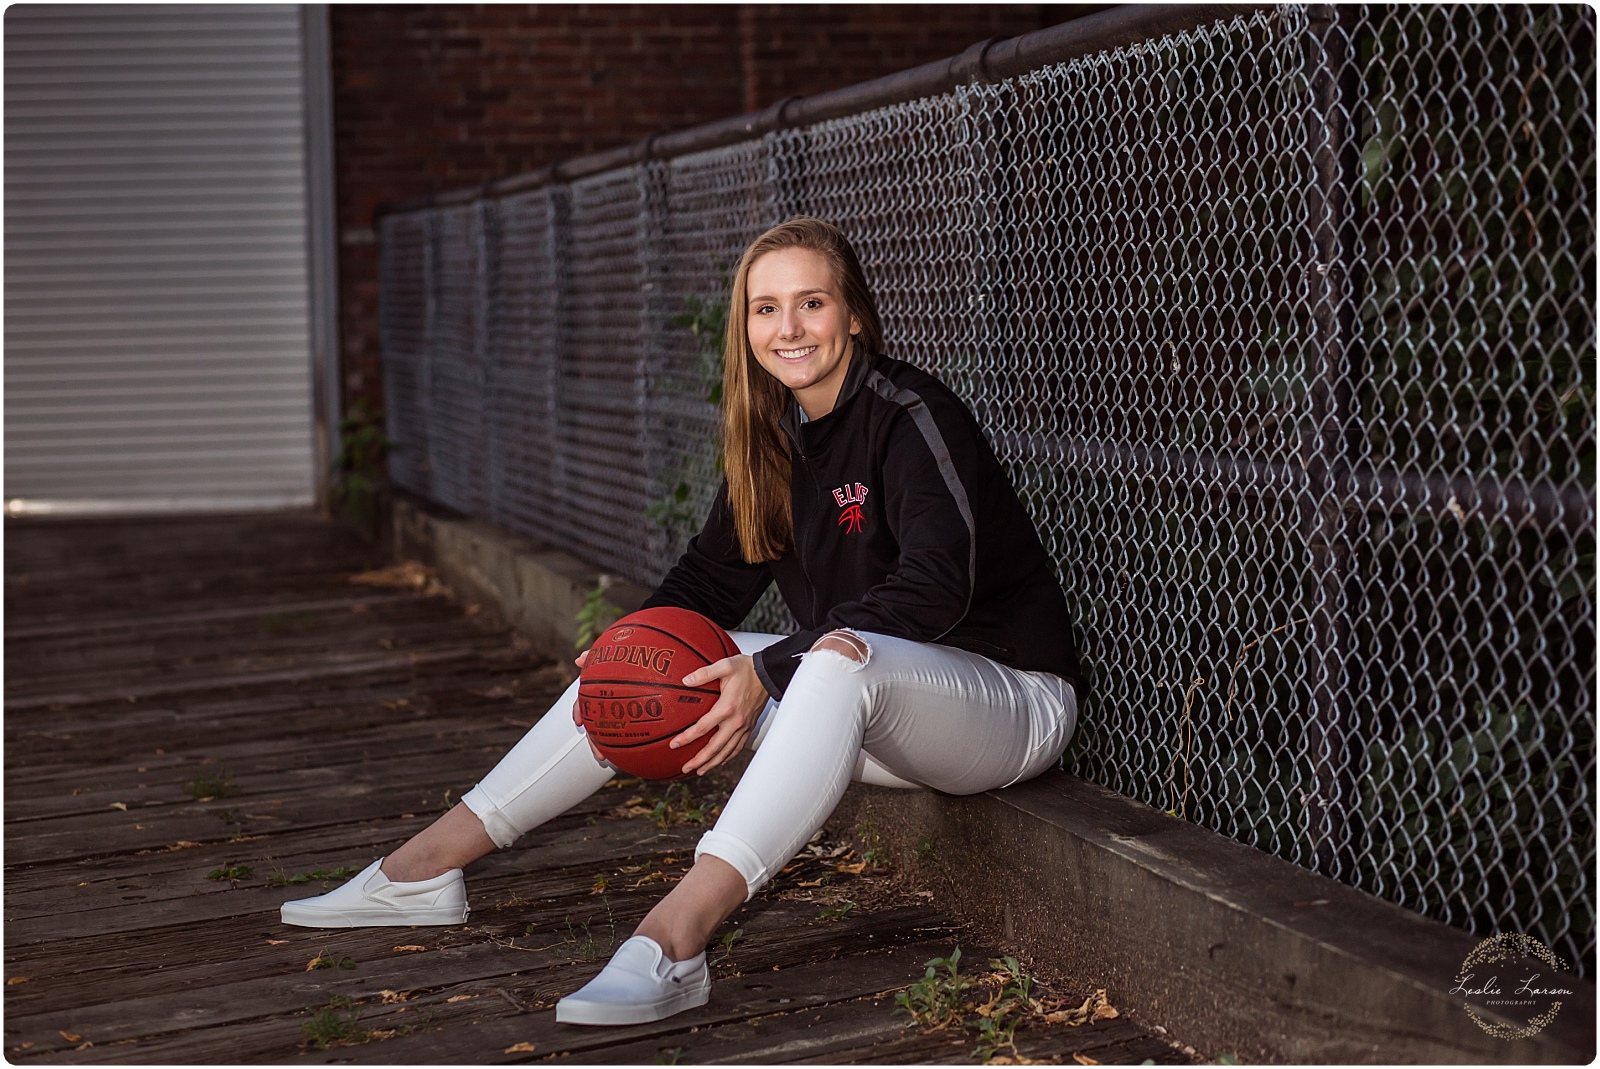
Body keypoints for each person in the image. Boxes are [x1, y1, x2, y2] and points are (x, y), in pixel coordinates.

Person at [279, 216, 1086, 1027]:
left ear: (854, 316)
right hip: (871, 709)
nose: (789, 327)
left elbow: (936, 587)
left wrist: (769, 669)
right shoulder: (771, 439)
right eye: (765, 309)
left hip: (1004, 697)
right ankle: (425, 869)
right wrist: (627, 640)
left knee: (832, 659)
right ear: (746, 327)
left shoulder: (910, 414)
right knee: (641, 662)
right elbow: (710, 577)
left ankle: (674, 940)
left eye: (811, 303)